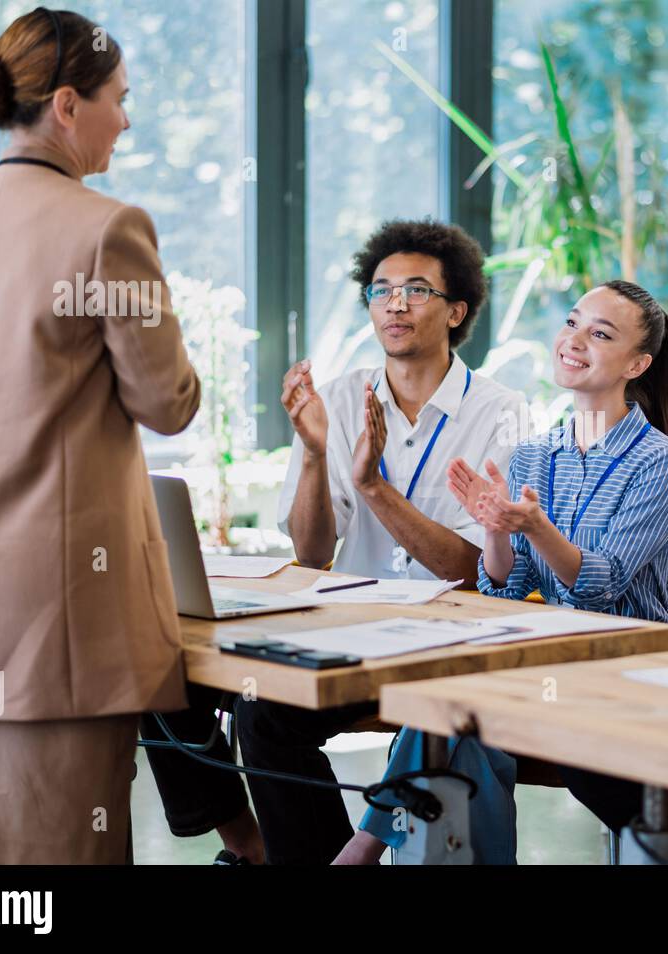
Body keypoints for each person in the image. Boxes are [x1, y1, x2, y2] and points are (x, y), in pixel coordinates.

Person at [0, 8, 200, 863]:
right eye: (120, 98)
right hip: (58, 612)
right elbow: (167, 400)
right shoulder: (109, 227)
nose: (128, 119)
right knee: (68, 842)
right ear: (67, 105)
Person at [337, 279, 668, 865]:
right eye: (573, 323)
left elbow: (603, 585)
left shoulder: (662, 461)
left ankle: (364, 844)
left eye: (600, 334)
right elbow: (504, 583)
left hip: (627, 666)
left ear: (638, 363)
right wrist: (499, 531)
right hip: (550, 658)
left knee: (454, 702)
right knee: (447, 695)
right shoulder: (535, 454)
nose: (574, 340)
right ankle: (371, 847)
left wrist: (532, 525)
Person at [226, 219, 526, 864]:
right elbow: (310, 555)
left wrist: (372, 486)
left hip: (448, 641)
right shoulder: (339, 398)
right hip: (352, 635)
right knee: (259, 713)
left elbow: (475, 570)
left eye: (416, 290)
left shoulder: (501, 413)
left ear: (456, 311)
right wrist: (312, 454)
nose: (394, 303)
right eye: (380, 289)